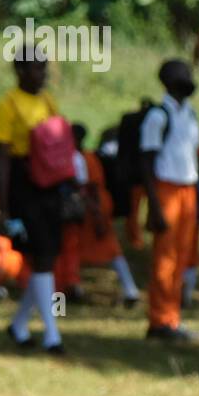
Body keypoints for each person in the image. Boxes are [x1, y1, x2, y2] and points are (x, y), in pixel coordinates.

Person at [0, 48, 68, 354]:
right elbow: (2, 157)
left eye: (44, 68)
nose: (42, 75)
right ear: (20, 71)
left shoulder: (47, 100)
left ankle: (20, 324)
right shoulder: (8, 104)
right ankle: (52, 334)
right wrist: (3, 203)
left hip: (49, 184)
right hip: (24, 185)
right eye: (37, 69)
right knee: (41, 255)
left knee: (46, 256)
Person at [141, 58, 199, 342]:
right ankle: (158, 320)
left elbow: (197, 158)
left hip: (188, 190)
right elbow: (146, 162)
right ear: (167, 82)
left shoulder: (191, 114)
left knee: (182, 256)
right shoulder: (158, 116)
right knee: (164, 258)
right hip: (165, 190)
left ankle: (173, 318)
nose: (187, 80)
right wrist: (154, 205)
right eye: (182, 76)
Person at [54, 123, 140, 307]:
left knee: (101, 247)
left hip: (89, 208)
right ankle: (72, 288)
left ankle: (129, 289)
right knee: (75, 249)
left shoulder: (80, 158)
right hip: (88, 207)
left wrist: (96, 214)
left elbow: (89, 188)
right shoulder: (86, 156)